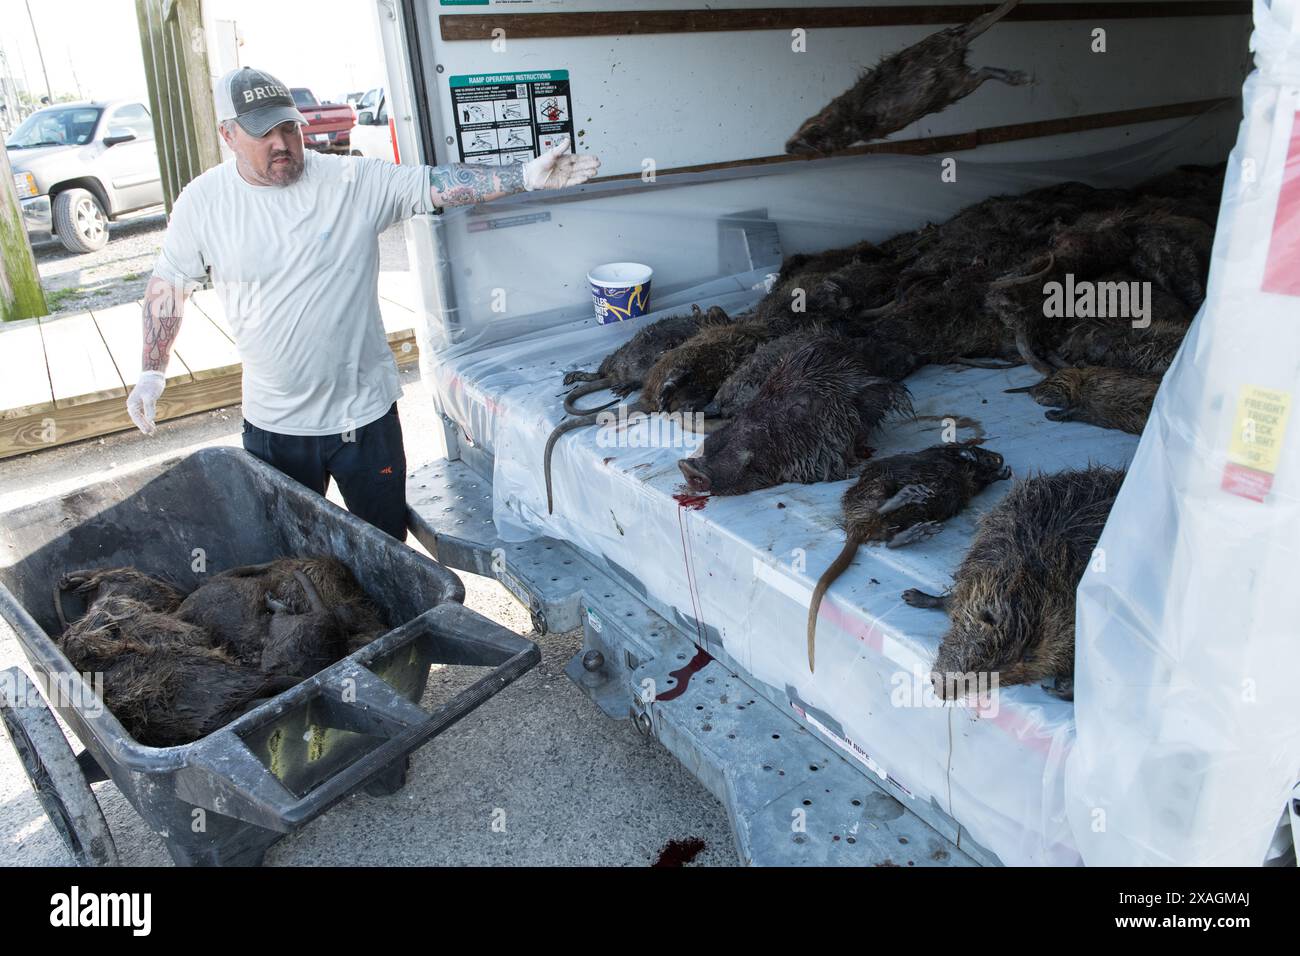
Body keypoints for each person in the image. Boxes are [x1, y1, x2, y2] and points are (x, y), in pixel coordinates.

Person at [126, 67, 599, 539]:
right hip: (276, 426)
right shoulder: (204, 202)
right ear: (228, 135)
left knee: (385, 546)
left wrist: (522, 176)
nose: (281, 143)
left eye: (288, 127)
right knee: (291, 557)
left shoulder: (350, 180)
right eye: (262, 132)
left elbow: (434, 184)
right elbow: (168, 285)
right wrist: (152, 370)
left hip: (366, 420)